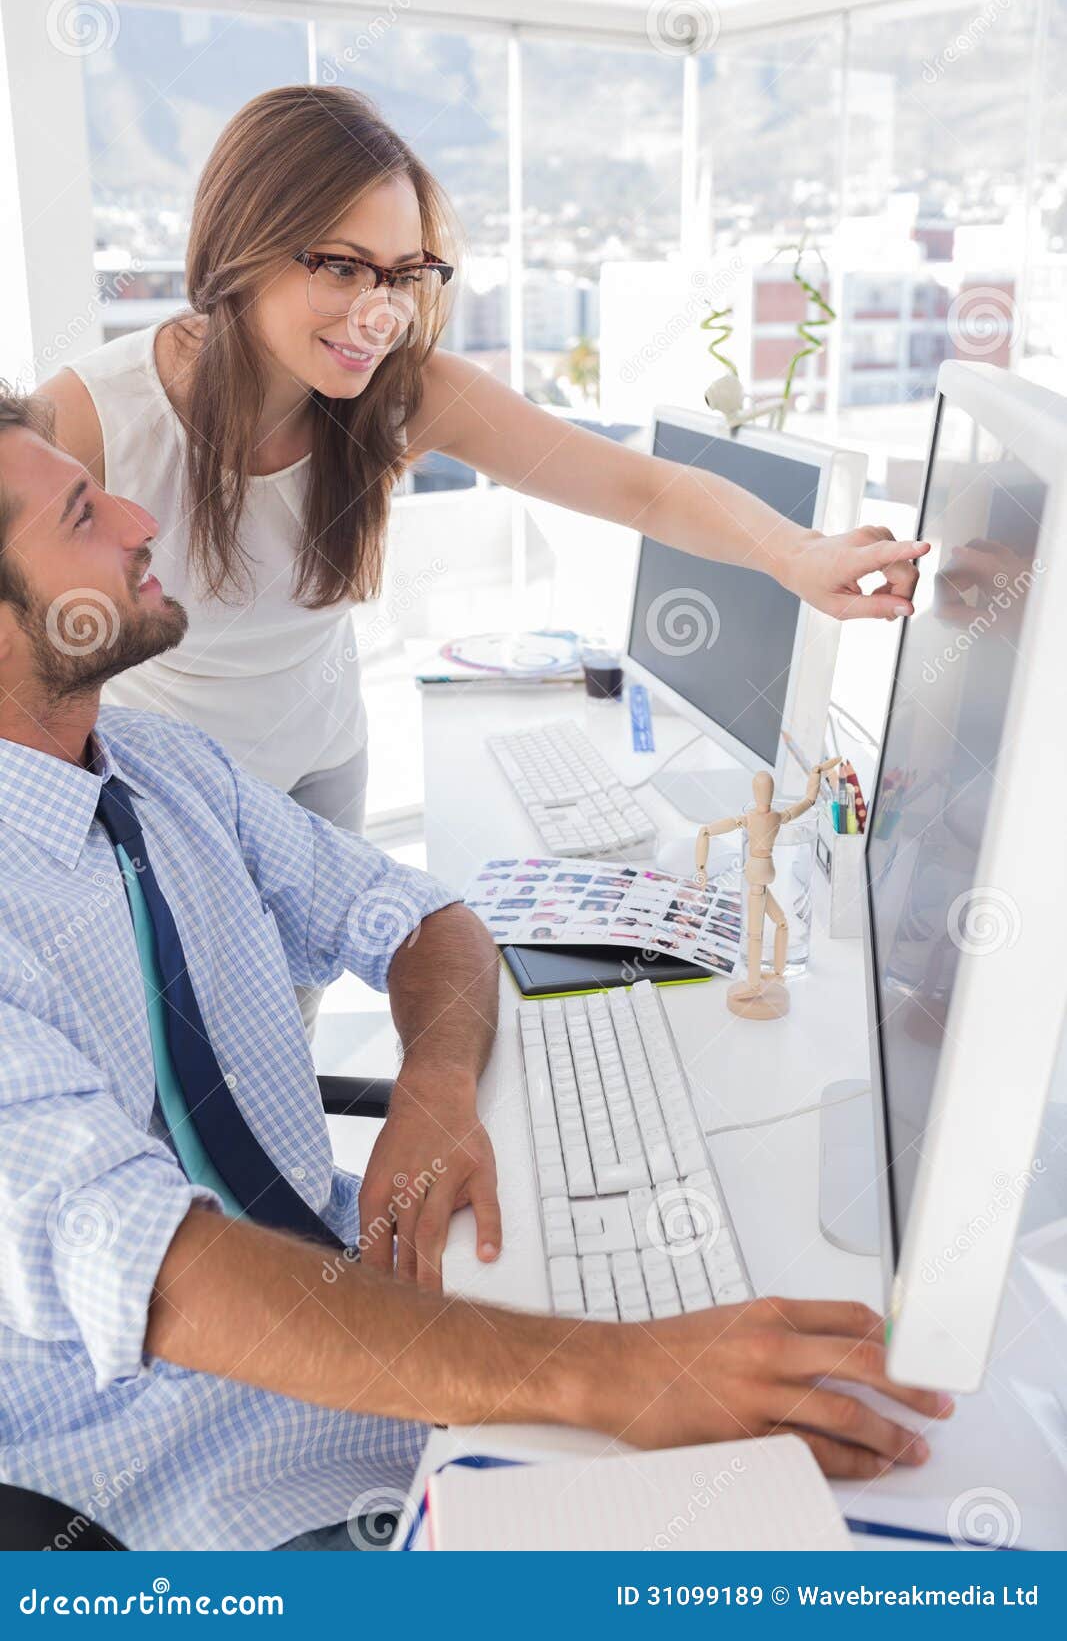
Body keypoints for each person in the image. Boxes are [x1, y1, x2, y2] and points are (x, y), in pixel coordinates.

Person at [0, 392, 951, 1552]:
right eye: (85, 514)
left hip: (378, 1331)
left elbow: (419, 914)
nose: (144, 519)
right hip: (207, 1492)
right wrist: (620, 1374)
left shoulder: (158, 765)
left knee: (853, 1495)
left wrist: (436, 1086)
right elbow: (161, 1274)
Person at [39, 84, 929, 1037]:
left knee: (282, 1042)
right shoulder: (94, 415)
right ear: (238, 249)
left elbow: (642, 488)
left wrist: (796, 554)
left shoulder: (399, 393)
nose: (378, 313)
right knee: (181, 1047)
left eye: (404, 274)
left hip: (318, 760)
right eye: (340, 267)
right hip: (169, 784)